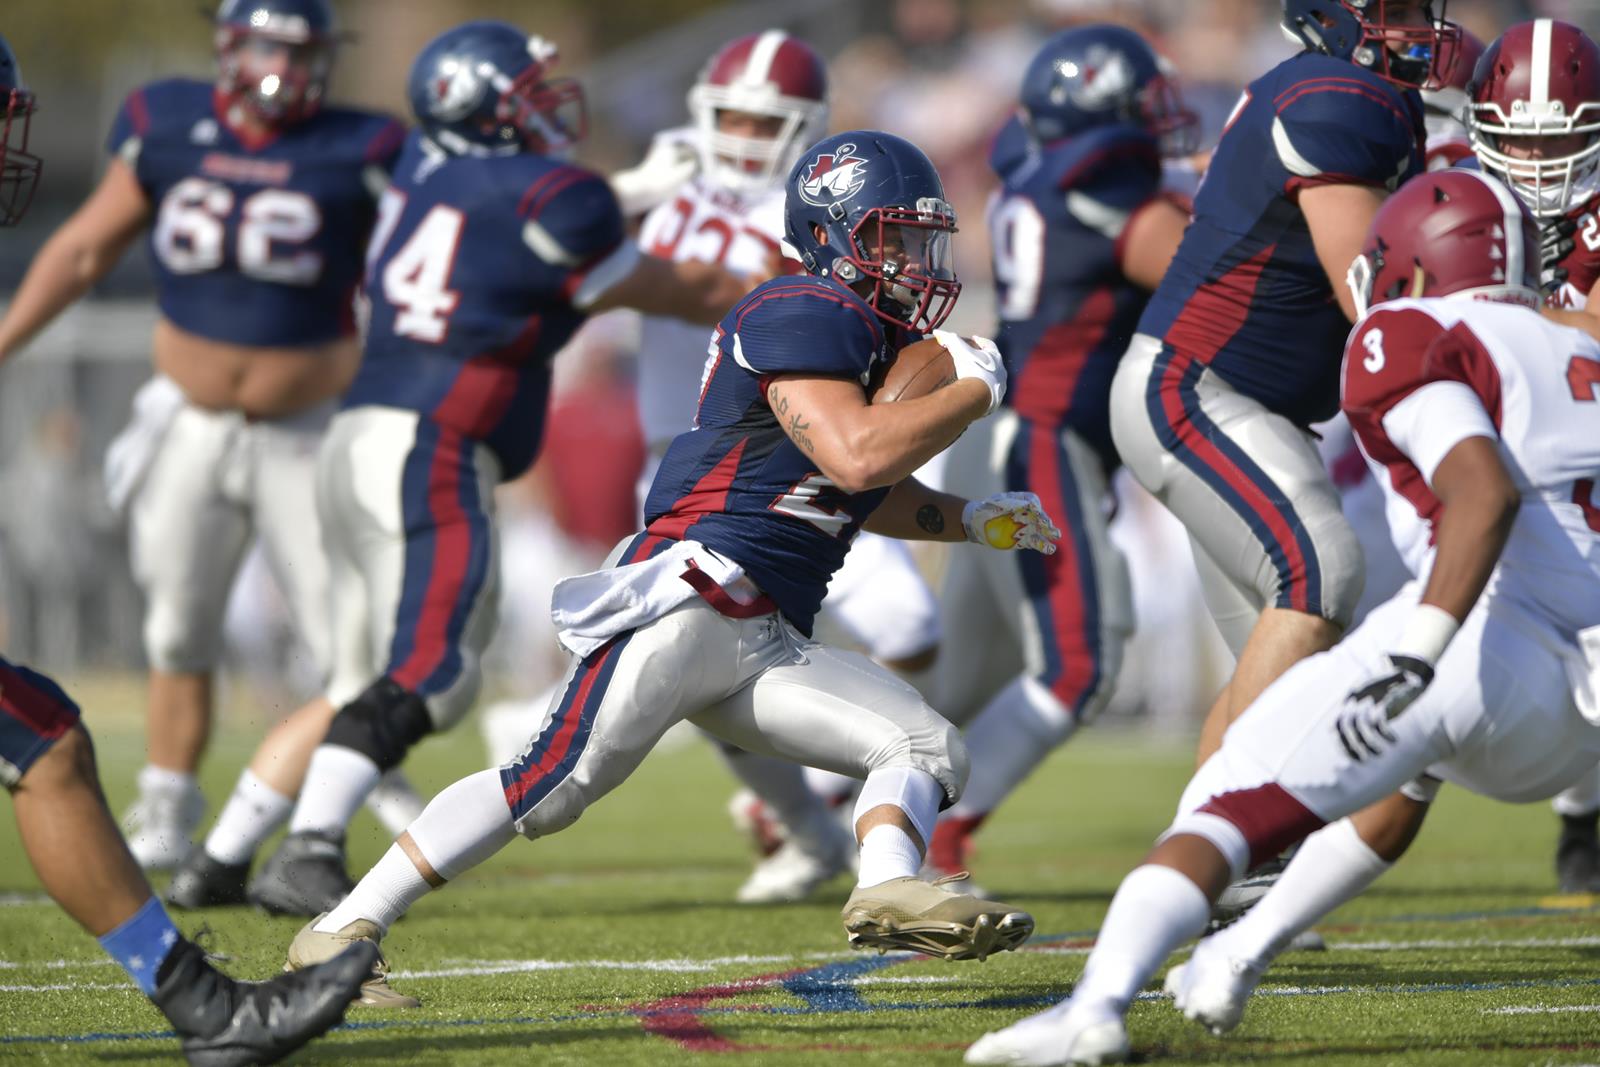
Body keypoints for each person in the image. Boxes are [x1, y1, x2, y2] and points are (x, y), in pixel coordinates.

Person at [280, 127, 1062, 1005]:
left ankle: (886, 884)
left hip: (765, 633)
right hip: (692, 593)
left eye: (922, 239)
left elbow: (850, 491)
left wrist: (971, 519)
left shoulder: (861, 336)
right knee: (553, 783)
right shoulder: (801, 306)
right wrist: (974, 390)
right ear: (831, 235)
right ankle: (340, 929)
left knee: (923, 743)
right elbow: (854, 457)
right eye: (895, 238)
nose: (916, 261)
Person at [966, 166, 1600, 1067]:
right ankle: (1238, 952)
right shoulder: (1579, 341)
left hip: (1487, 645)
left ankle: (1093, 1008)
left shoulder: (1411, 331)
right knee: (1410, 773)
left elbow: (1481, 490)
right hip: (1583, 707)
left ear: (1418, 265)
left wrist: (1420, 648)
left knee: (1230, 800)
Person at [178, 20, 761, 921]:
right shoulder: (555, 195)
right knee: (436, 673)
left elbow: (510, 210)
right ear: (490, 108)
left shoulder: (424, 170)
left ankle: (218, 859)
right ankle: (312, 848)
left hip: (357, 437)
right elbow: (670, 285)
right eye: (529, 95)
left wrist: (632, 192)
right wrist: (768, 281)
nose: (547, 110)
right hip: (433, 444)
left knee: (362, 679)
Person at [0, 32, 376, 1066]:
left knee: (47, 736)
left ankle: (211, 988)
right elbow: (85, 248)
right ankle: (209, 1001)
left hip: (302, 426)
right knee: (48, 735)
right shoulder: (171, 125)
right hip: (203, 420)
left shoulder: (355, 144)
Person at [1103, 0, 1454, 913]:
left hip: (1243, 405)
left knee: (1285, 663)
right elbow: (1369, 294)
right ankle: (1232, 853)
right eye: (1396, 12)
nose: (1416, 30)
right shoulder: (1338, 95)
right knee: (1322, 571)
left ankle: (1193, 877)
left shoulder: (1358, 94)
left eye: (1423, 11)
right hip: (1198, 388)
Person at [607, 28, 941, 904]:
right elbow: (540, 247)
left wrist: (627, 235)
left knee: (908, 623)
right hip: (687, 469)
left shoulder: (808, 212)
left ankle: (830, 791)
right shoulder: (668, 182)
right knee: (692, 667)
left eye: (767, 123)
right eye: (735, 119)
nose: (746, 138)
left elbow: (721, 288)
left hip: (799, 457)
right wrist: (617, 197)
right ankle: (803, 826)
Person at [915, 24, 1195, 885]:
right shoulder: (1104, 187)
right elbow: (1202, 273)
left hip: (998, 434)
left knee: (966, 677)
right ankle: (941, 836)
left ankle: (834, 805)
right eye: (1140, 106)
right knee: (1080, 662)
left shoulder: (1034, 176)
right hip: (1038, 440)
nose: (1155, 122)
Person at [1466, 20, 1600, 894]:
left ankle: (1581, 813)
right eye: (1519, 137)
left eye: (1558, 140)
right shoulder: (1453, 191)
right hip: (1465, 441)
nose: (1536, 159)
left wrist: (1505, 311)